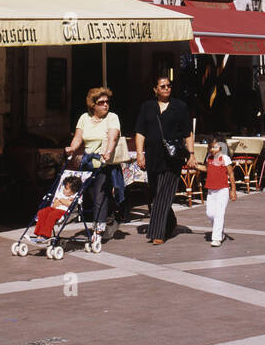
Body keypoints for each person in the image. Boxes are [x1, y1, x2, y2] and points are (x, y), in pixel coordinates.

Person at [134, 74, 196, 244]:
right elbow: (140, 132)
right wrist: (139, 153)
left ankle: (157, 233)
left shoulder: (180, 106)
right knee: (156, 193)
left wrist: (191, 154)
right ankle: (170, 222)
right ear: (155, 89)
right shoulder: (147, 107)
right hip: (152, 157)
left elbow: (187, 133)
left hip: (173, 158)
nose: (167, 88)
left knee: (163, 195)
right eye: (162, 86)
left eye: (169, 85)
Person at [65, 86, 121, 235]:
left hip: (104, 163)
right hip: (87, 162)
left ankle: (99, 230)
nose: (105, 105)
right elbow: (78, 137)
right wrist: (72, 148)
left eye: (107, 102)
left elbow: (112, 137)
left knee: (99, 197)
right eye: (101, 102)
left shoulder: (112, 117)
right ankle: (110, 218)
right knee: (90, 196)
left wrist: (108, 151)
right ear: (93, 105)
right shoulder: (84, 118)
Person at [203, 136, 237, 247]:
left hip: (223, 190)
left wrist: (233, 190)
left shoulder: (225, 158)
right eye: (210, 147)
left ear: (221, 147)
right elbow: (206, 169)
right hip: (211, 190)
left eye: (214, 147)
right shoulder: (209, 158)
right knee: (210, 213)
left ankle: (216, 238)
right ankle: (220, 232)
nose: (212, 150)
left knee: (219, 214)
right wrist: (195, 165)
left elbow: (231, 174)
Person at [34, 175, 83, 239]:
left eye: (66, 189)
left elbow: (70, 205)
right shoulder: (61, 194)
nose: (64, 190)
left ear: (73, 191)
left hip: (64, 212)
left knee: (52, 215)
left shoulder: (75, 196)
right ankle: (38, 233)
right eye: (64, 187)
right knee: (42, 212)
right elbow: (54, 205)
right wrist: (64, 201)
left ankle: (45, 235)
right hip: (54, 209)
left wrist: (61, 200)